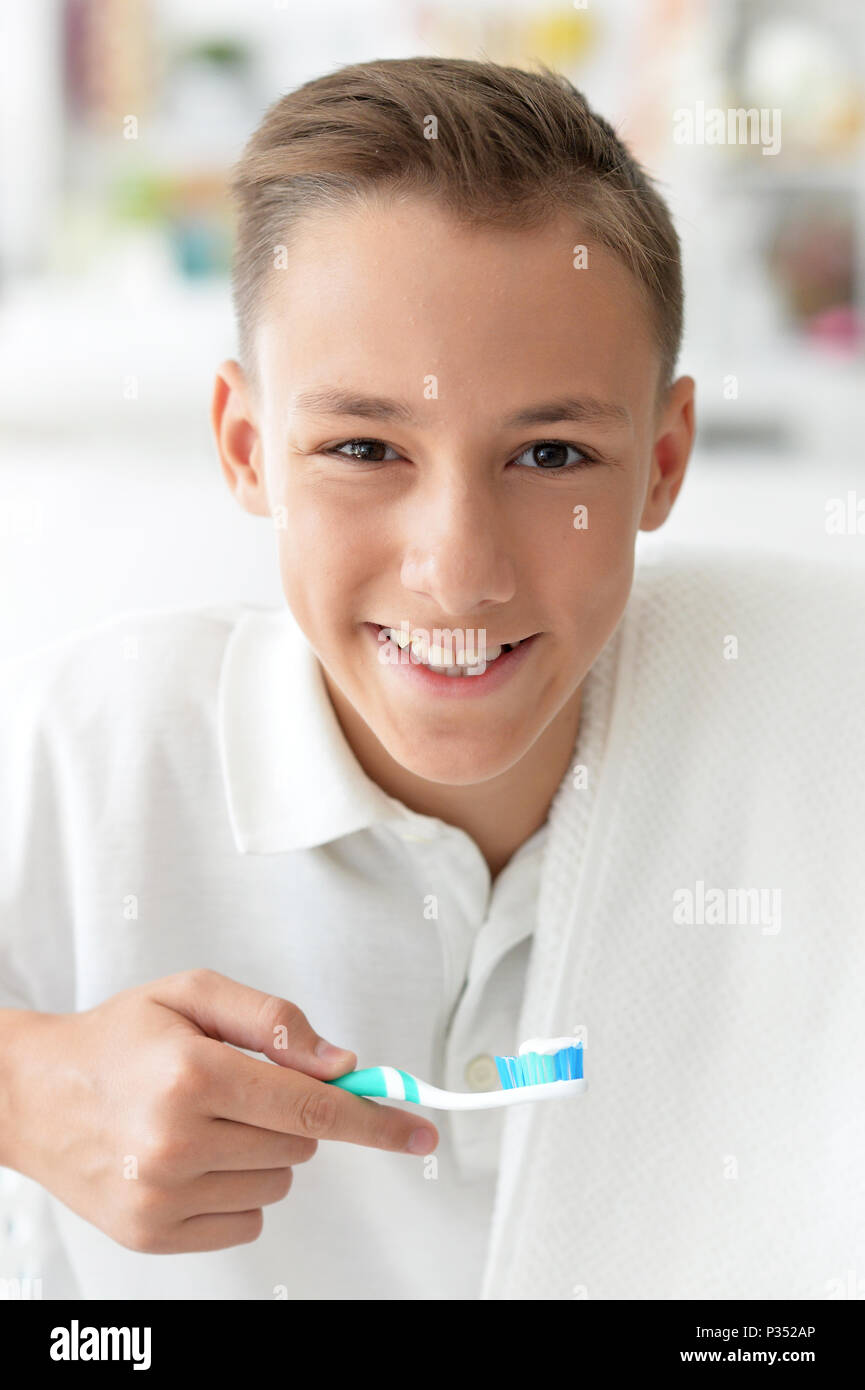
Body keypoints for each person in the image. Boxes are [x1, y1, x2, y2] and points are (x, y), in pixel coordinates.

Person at [1, 57, 862, 1302]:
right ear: (249, 450)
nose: (457, 573)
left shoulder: (805, 731)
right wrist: (25, 1091)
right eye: (362, 447)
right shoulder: (84, 753)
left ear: (664, 461)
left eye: (551, 452)